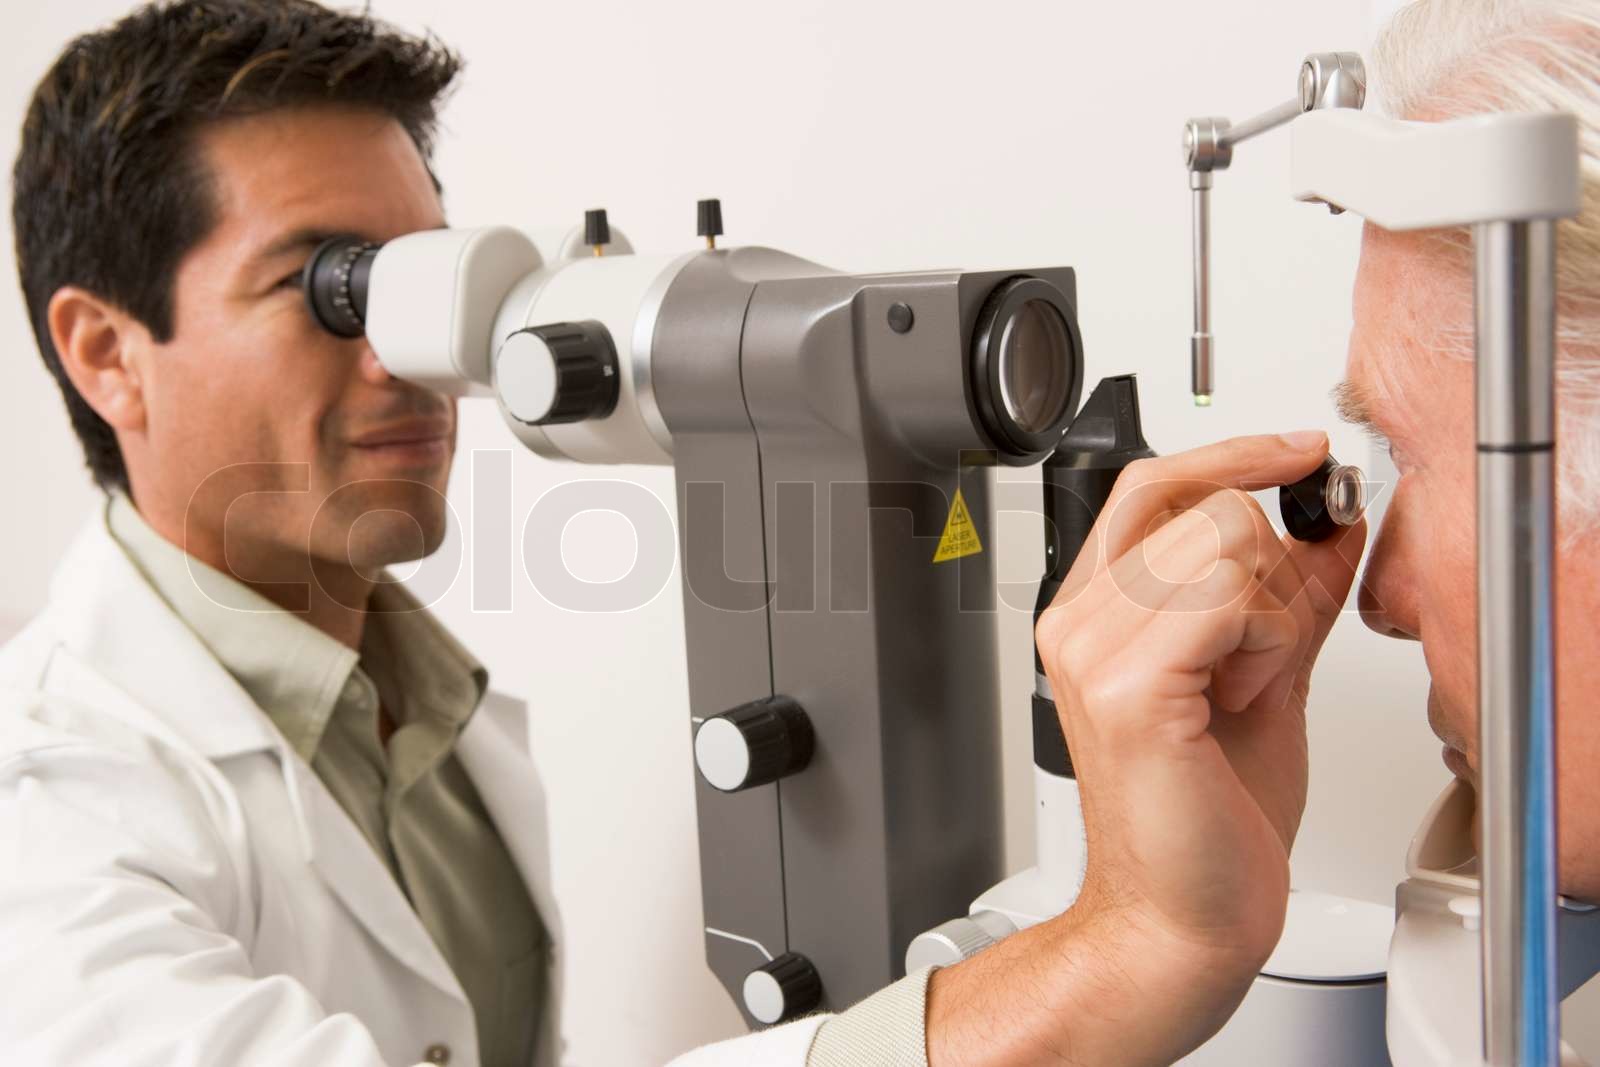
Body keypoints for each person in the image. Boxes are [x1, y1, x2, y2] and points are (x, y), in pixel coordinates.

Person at [3, 3, 1597, 1067]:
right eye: (326, 287)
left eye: (420, 277)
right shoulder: (44, 822)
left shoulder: (438, 717)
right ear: (103, 350)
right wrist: (1109, 960)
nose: (408, 355)